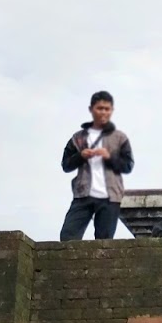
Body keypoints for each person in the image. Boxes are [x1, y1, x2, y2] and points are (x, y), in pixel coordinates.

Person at [59, 91, 135, 240]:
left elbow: (127, 165)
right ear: (91, 109)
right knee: (68, 236)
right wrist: (80, 156)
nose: (103, 112)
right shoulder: (78, 137)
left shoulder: (119, 138)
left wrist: (109, 157)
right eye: (100, 108)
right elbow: (66, 165)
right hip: (83, 193)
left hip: (110, 195)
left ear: (112, 110)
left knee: (104, 241)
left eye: (107, 109)